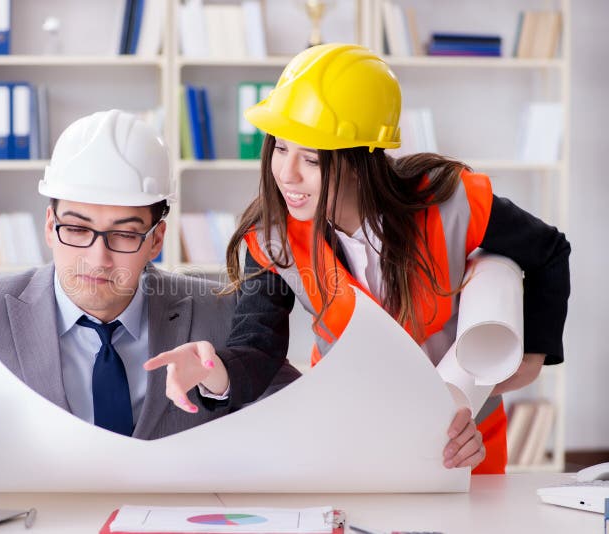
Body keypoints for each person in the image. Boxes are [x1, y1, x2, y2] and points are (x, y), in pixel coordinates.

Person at [144, 44, 570, 473]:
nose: (287, 174)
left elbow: (549, 251)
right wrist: (213, 371)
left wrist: (533, 355)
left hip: (462, 437)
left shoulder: (448, 203)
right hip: (353, 434)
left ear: (359, 160)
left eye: (310, 158)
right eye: (279, 148)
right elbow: (258, 348)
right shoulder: (273, 239)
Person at [0, 109, 299, 439]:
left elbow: (305, 414)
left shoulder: (222, 314)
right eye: (77, 229)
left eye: (123, 234)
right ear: (50, 226)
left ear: (157, 239)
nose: (98, 258)